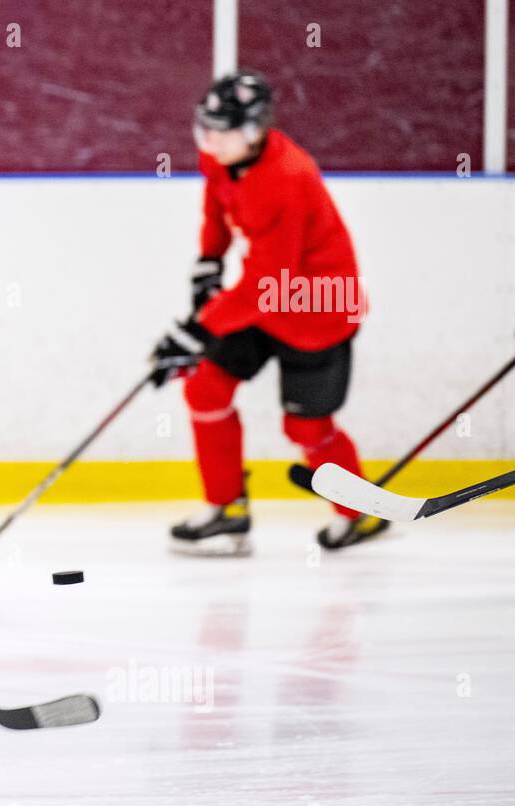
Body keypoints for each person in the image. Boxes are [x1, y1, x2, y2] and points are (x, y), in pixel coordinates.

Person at [151, 70, 388, 556]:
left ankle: (357, 512)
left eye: (221, 130)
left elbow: (267, 283)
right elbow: (216, 209)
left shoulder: (286, 178)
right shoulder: (222, 155)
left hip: (317, 306)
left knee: (305, 429)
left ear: (255, 130)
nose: (209, 140)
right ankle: (227, 509)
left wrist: (199, 330)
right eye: (204, 128)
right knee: (205, 387)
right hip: (266, 303)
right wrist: (209, 262)